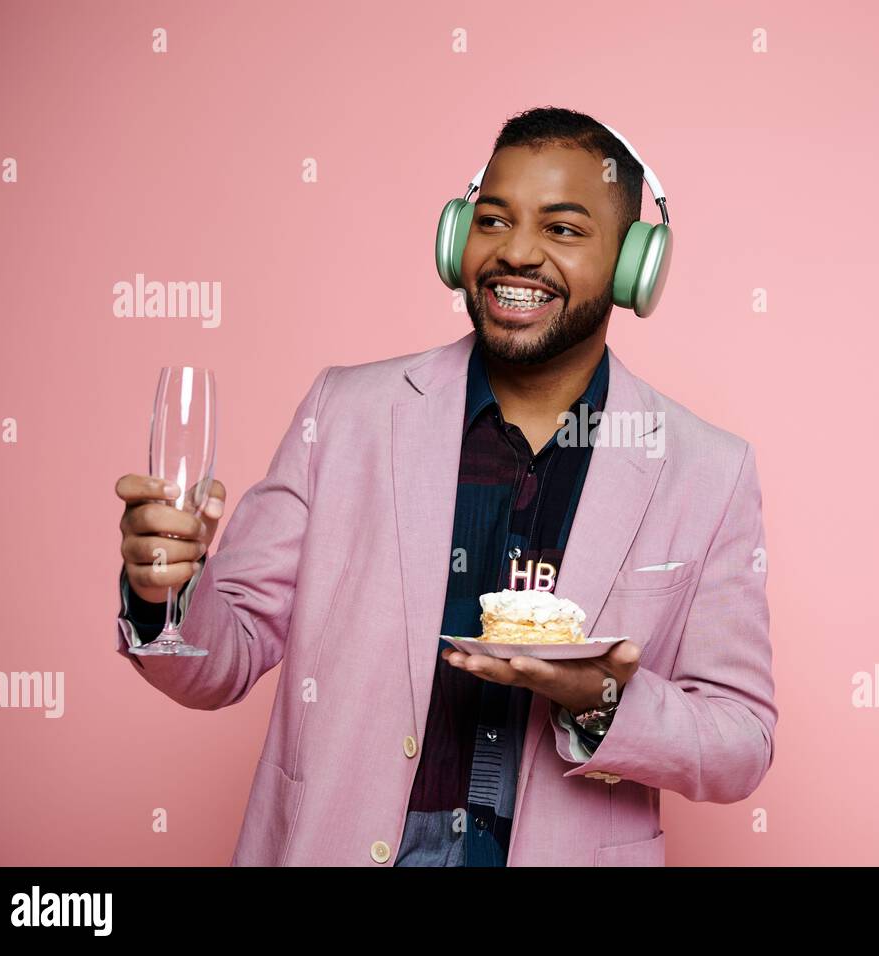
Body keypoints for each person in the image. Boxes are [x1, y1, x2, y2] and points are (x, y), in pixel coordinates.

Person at [113, 106, 776, 866]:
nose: (517, 253)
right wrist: (164, 592)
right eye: (493, 220)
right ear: (458, 238)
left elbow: (741, 741)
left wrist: (601, 699)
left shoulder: (708, 470)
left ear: (635, 265)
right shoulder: (346, 413)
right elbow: (217, 664)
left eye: (562, 229)